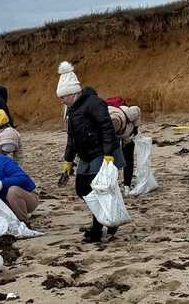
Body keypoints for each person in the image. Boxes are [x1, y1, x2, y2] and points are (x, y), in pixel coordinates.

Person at [56, 61, 122, 243]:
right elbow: (72, 138)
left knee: (97, 190)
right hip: (85, 154)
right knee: (81, 189)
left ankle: (97, 228)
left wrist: (108, 154)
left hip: (100, 152)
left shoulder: (94, 103)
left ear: (72, 93)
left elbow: (106, 128)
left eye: (63, 97)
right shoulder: (71, 110)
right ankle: (106, 219)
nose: (61, 101)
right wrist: (68, 162)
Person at [108, 104, 141, 194]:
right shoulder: (102, 116)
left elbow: (137, 108)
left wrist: (136, 127)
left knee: (128, 157)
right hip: (109, 134)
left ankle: (127, 185)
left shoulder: (129, 114)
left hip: (127, 129)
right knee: (109, 158)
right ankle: (111, 184)